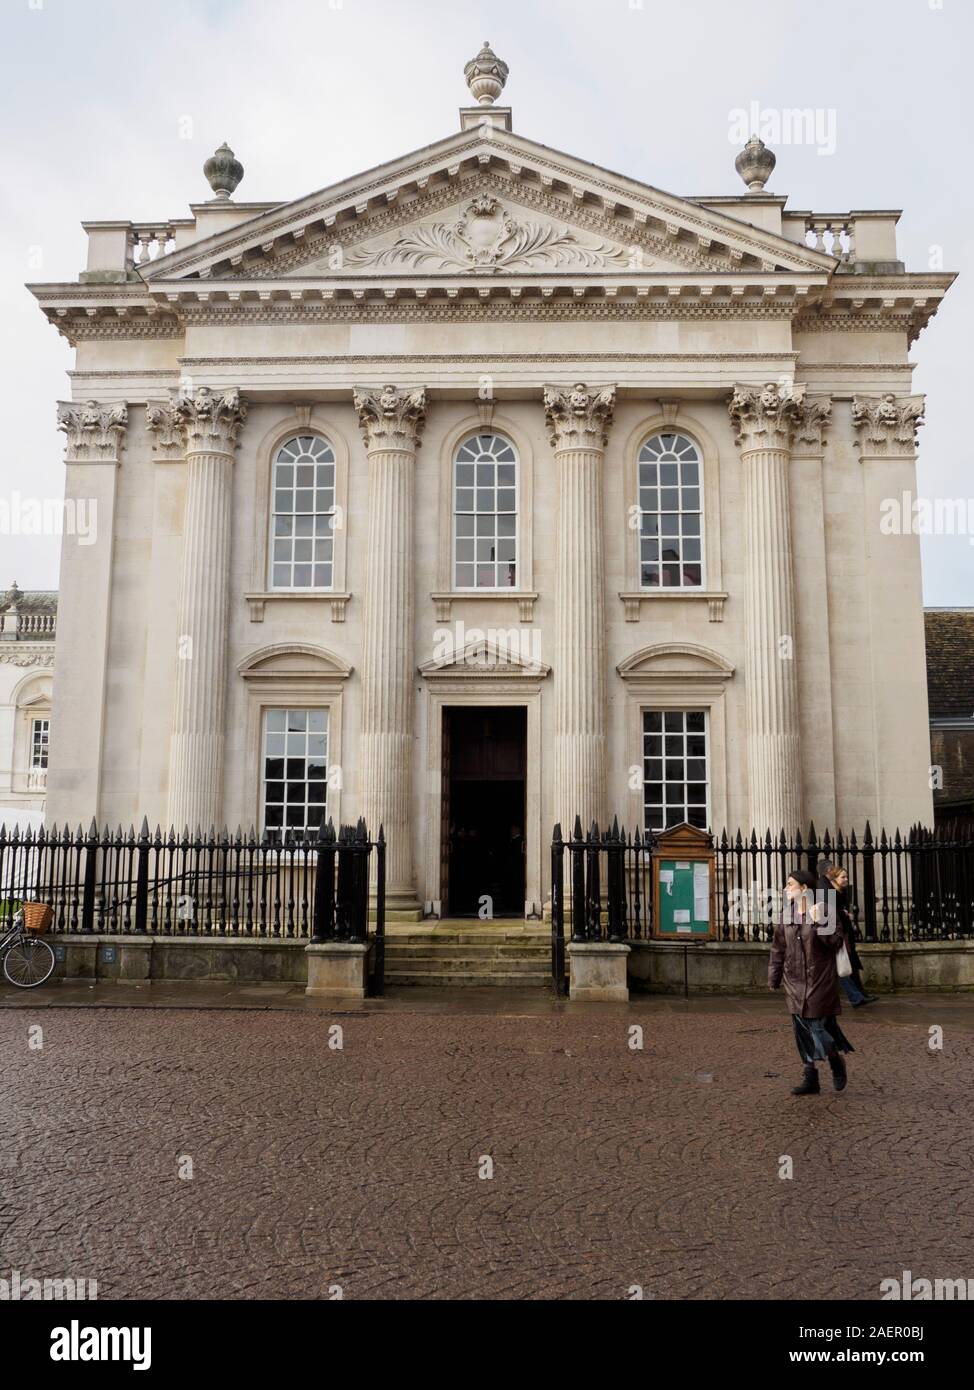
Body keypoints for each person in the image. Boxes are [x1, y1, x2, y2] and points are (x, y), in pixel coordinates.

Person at [769, 869, 854, 1096]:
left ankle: (836, 1061)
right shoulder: (786, 914)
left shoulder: (824, 911)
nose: (786, 889)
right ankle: (811, 1077)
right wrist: (774, 976)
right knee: (801, 1030)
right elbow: (779, 949)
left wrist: (817, 923)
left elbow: (835, 941)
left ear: (804, 888)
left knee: (817, 1027)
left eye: (790, 884)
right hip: (794, 981)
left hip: (819, 980)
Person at [816, 859, 878, 1007]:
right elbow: (829, 911)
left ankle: (856, 995)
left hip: (834, 931)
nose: (835, 870)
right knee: (840, 965)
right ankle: (855, 996)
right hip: (834, 932)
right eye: (833, 869)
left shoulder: (826, 885)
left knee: (840, 965)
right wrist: (844, 915)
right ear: (828, 871)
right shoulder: (825, 886)